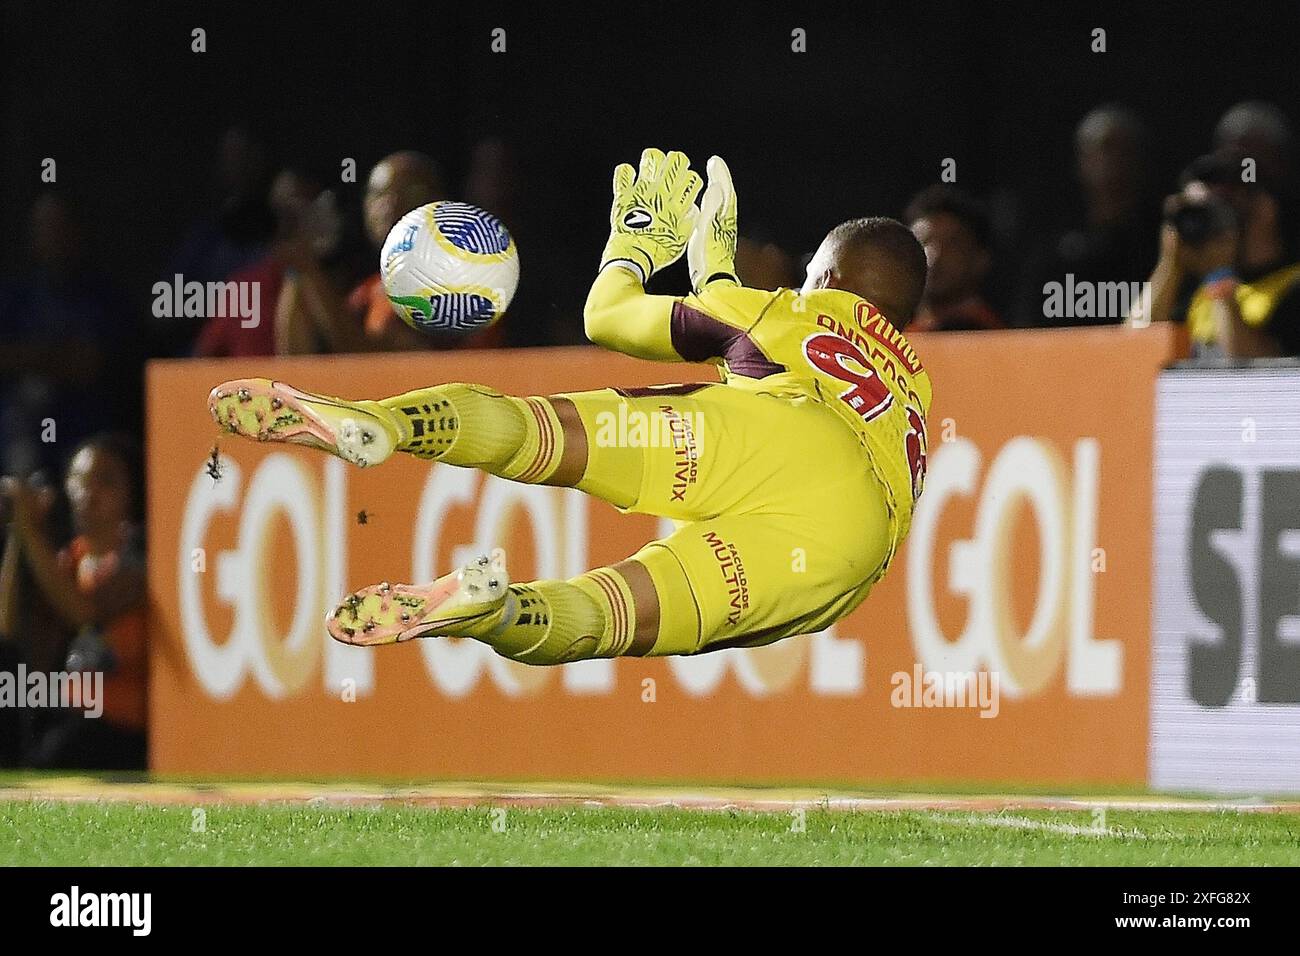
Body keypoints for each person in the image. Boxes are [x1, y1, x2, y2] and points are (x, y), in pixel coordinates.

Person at [209, 148, 931, 664]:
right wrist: (715, 278)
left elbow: (607, 316)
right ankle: (494, 613)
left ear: (826, 275)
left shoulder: (787, 311)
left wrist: (635, 250)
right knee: (602, 617)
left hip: (775, 433)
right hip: (851, 547)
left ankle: (388, 423)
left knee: (534, 434)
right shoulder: (916, 387)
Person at [1, 434, 147, 768]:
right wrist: (18, 533)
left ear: (132, 492)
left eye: (105, 481)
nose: (88, 493)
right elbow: (10, 627)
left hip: (120, 731)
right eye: (80, 480)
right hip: (69, 718)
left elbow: (84, 613)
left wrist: (31, 534)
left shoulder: (139, 553)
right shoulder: (69, 560)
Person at [276, 150, 503, 353]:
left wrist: (309, 267)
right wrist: (299, 265)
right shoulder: (369, 291)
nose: (390, 204)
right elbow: (296, 360)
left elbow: (374, 365)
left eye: (411, 191)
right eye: (378, 193)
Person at [1128, 149, 1300, 358]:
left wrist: (1221, 279)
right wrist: (1170, 265)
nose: (1215, 222)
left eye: (1225, 205)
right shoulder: (1195, 287)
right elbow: (1130, 350)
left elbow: (1256, 377)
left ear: (1265, 210)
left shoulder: (1291, 285)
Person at [904, 185, 1002, 331]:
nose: (934, 255)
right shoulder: (893, 340)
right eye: (923, 242)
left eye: (952, 244)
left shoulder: (994, 338)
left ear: (980, 258)